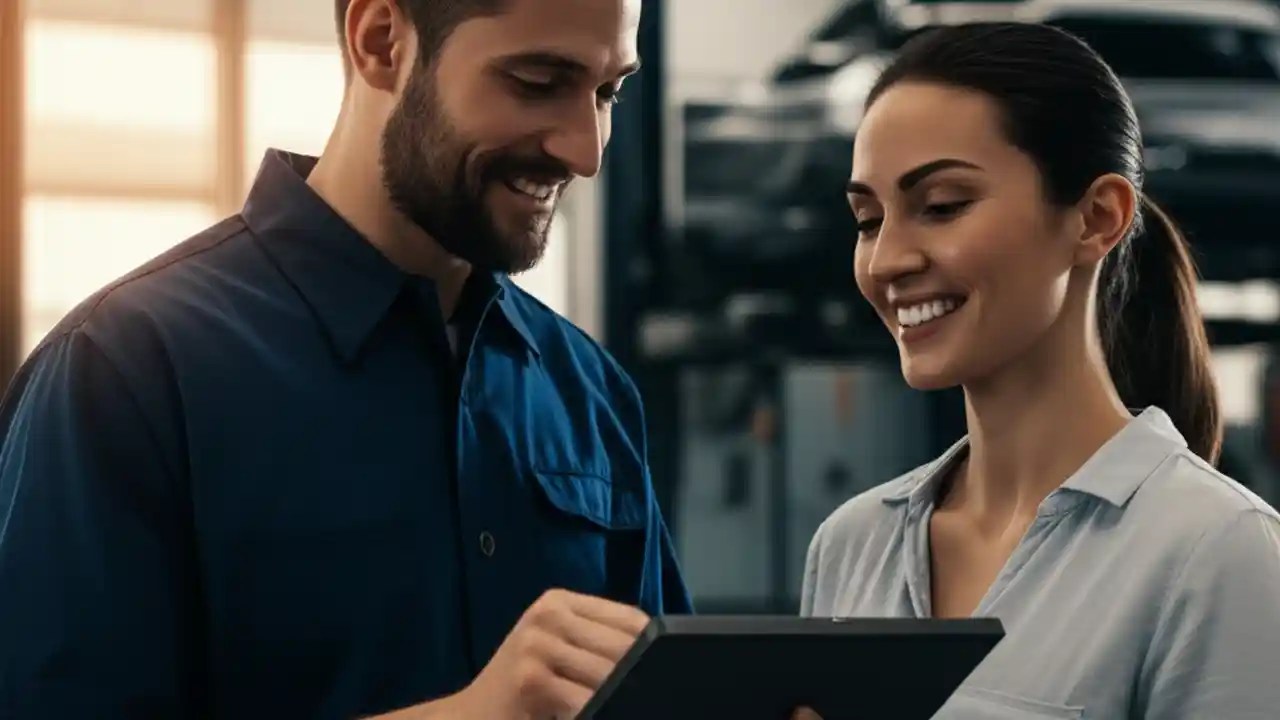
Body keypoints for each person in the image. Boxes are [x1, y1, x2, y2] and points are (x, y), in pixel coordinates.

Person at [0, 0, 691, 718]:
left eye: (608, 93)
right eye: (538, 82)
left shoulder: (591, 390)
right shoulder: (123, 370)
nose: (587, 152)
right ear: (382, 41)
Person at [798, 22, 1280, 719]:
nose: (886, 260)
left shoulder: (1218, 551)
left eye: (943, 206)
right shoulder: (851, 544)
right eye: (869, 220)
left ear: (1096, 218)